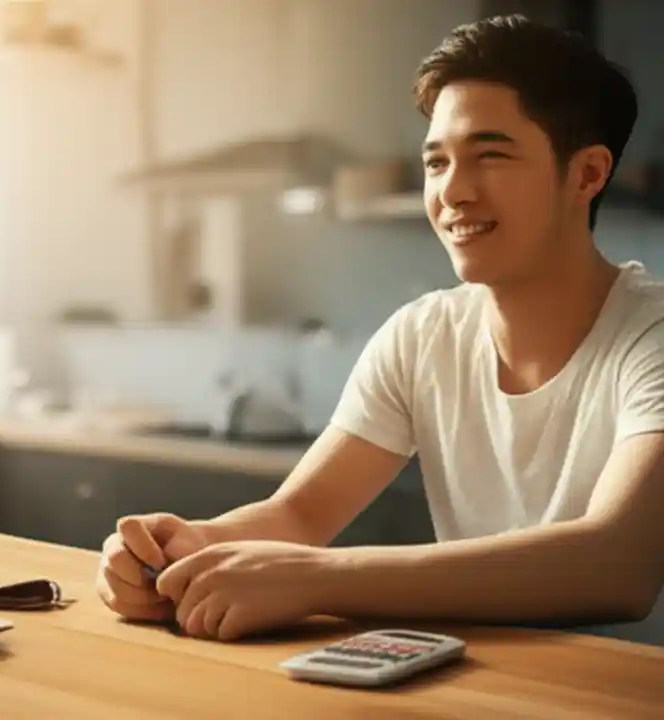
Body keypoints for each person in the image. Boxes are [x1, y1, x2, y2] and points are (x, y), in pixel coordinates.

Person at [96, 14, 664, 644]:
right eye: (437, 162)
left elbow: (618, 565)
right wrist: (187, 549)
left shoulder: (650, 336)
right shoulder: (422, 336)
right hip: (481, 685)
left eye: (490, 156)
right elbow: (299, 513)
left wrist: (315, 578)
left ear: (587, 174)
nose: (453, 192)